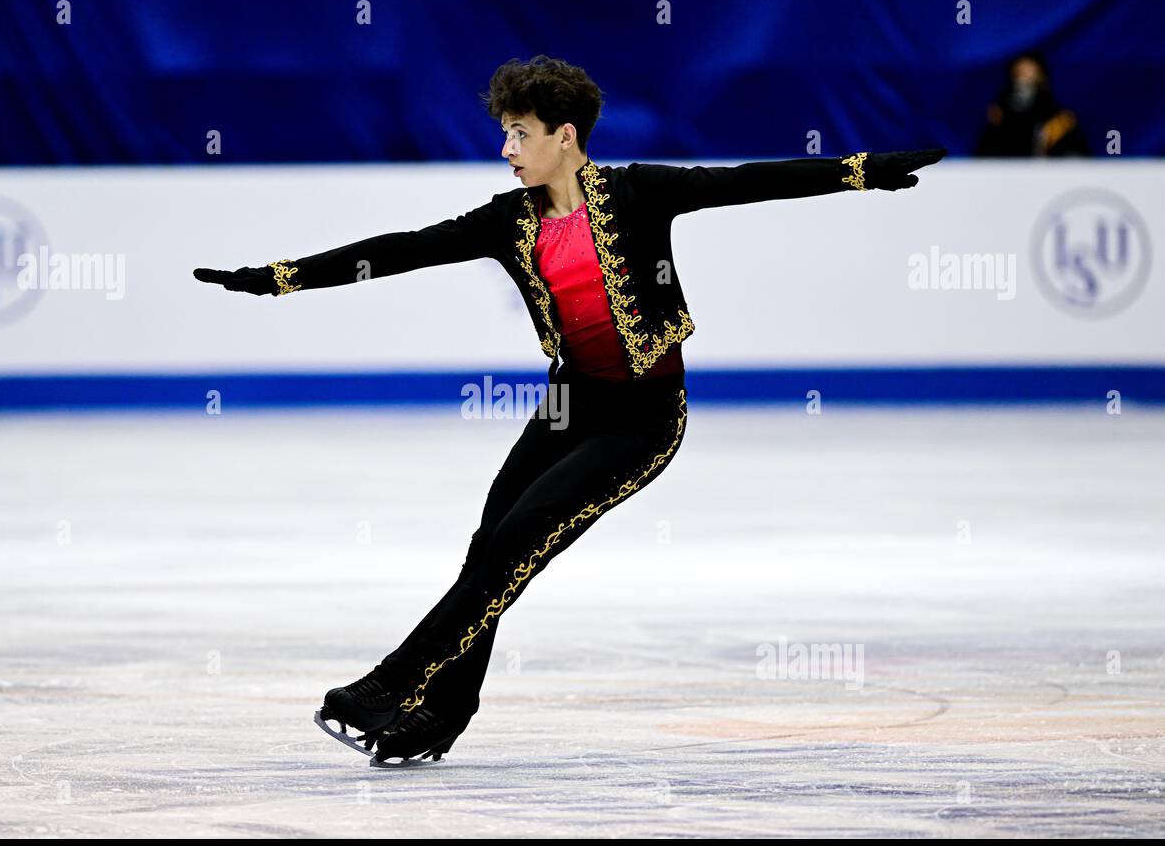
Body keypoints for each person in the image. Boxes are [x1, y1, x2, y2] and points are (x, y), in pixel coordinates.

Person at [194, 54, 946, 765]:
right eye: (504, 133)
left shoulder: (641, 193)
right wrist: (279, 279)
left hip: (644, 419)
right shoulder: (507, 221)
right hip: (567, 408)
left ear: (565, 136)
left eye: (519, 134)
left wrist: (860, 172)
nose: (506, 149)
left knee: (519, 534)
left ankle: (395, 683)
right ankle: (441, 715)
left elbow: (747, 182)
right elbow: (401, 249)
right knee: (492, 543)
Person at [975, 51, 1091, 157]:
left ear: (1042, 77)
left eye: (1030, 74)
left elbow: (1077, 160)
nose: (1023, 81)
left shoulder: (1059, 120)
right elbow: (984, 158)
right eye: (1019, 74)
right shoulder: (999, 115)